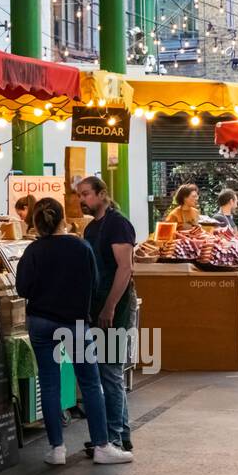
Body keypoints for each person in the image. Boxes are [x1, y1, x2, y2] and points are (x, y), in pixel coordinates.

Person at [16, 198, 133, 466]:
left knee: (49, 383)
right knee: (91, 383)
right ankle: (102, 445)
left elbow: (22, 289)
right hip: (76, 323)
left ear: (36, 223)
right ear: (61, 220)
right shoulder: (81, 247)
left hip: (41, 322)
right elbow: (95, 282)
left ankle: (57, 449)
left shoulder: (33, 250)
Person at [75, 175, 137, 454]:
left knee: (110, 371)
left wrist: (111, 306)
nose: (82, 200)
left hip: (117, 305)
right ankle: (120, 433)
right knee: (104, 372)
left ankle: (113, 435)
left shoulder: (118, 224)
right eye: (80, 195)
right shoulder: (91, 229)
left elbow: (125, 268)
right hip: (99, 305)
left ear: (102, 194)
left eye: (86, 194)